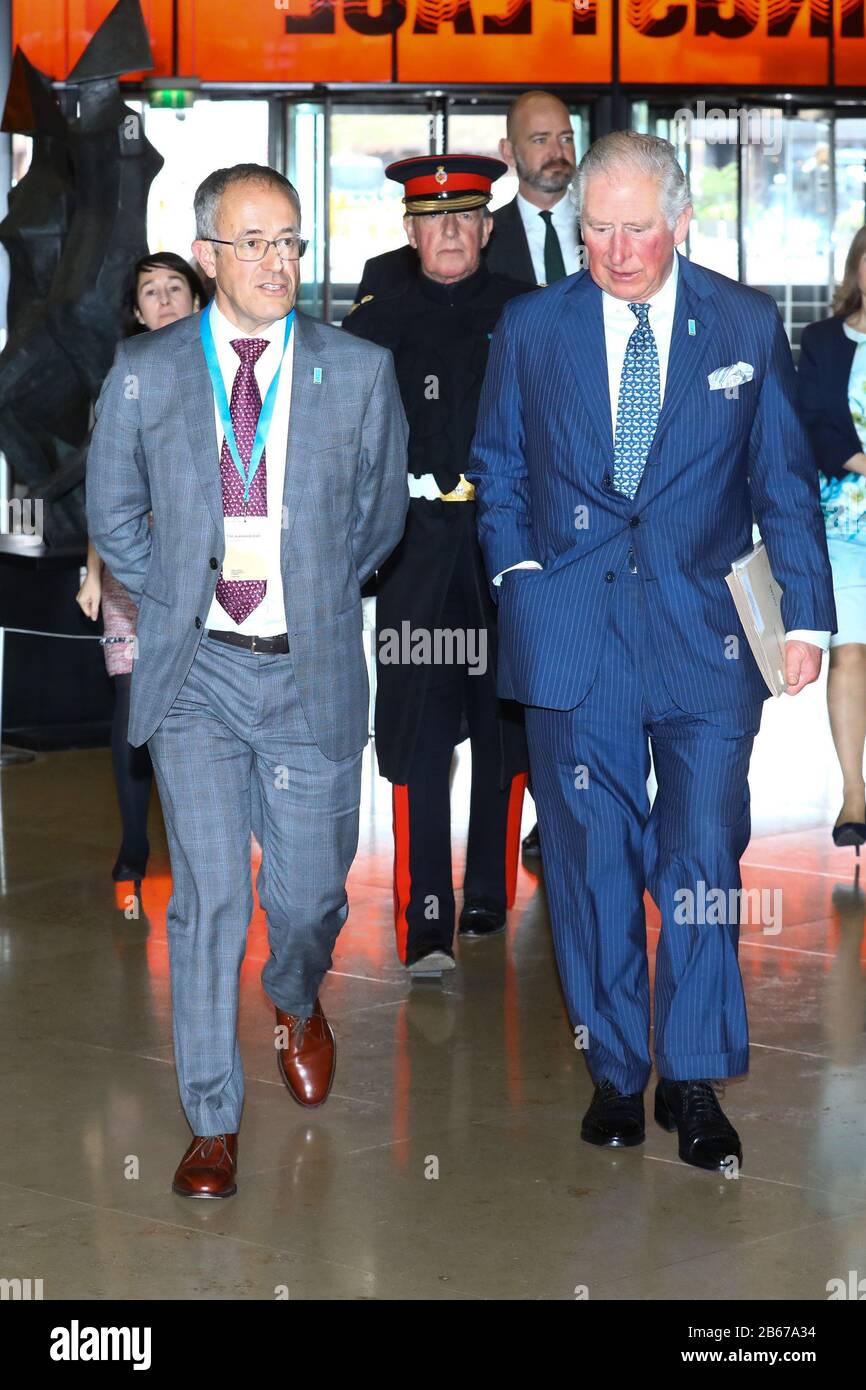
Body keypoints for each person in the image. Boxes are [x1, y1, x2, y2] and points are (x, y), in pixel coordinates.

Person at [468, 131, 835, 1172]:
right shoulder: (532, 325)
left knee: (702, 854)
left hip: (703, 638)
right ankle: (616, 1069)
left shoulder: (744, 322)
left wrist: (804, 619)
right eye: (597, 230)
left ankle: (694, 1077)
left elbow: (781, 478)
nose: (617, 252)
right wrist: (519, 578)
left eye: (637, 229)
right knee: (587, 859)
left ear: (681, 221)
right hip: (572, 635)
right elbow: (497, 467)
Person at [86, 163, 408, 1199]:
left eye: (290, 242)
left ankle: (295, 996)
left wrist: (307, 588)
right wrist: (180, 591)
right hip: (197, 674)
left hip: (308, 669)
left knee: (309, 897)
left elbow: (380, 518)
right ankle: (211, 1120)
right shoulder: (146, 368)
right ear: (208, 255)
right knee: (209, 899)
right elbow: (112, 507)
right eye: (254, 243)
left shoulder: (356, 370)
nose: (277, 262)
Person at [343, 155, 530, 977]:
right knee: (417, 731)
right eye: (433, 219)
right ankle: (425, 913)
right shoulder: (372, 325)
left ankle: (488, 887)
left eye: (464, 217)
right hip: (415, 556)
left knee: (504, 727)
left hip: (506, 553)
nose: (449, 232)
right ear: (409, 232)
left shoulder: (529, 313)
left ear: (486, 228)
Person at [77, 252, 207, 892]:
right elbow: (105, 490)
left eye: (174, 287)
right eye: (150, 291)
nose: (163, 300)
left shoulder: (226, 371)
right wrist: (93, 571)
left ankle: (201, 842)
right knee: (134, 705)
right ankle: (134, 842)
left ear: (197, 299)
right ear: (135, 311)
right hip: (132, 573)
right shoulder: (121, 379)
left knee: (204, 706)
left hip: (208, 567)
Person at [352, 90, 579, 304]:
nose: (557, 152)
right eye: (540, 140)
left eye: (566, 139)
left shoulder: (597, 228)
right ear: (508, 151)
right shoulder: (469, 243)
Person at [798, 225, 866, 851]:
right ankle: (853, 793)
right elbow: (813, 422)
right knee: (849, 653)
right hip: (844, 524)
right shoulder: (823, 340)